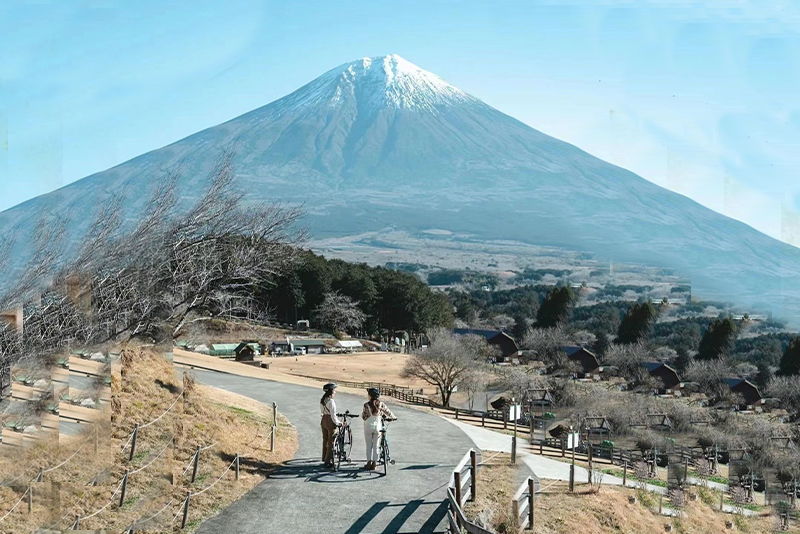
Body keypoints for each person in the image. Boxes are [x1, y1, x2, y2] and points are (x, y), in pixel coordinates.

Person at [361, 388, 396, 471]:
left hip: (368, 426)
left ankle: (368, 462)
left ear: (370, 396)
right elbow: (388, 412)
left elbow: (363, 416)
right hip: (378, 426)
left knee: (368, 446)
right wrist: (393, 417)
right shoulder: (381, 404)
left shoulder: (366, 405)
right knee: (376, 446)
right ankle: (374, 463)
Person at [320, 382, 341, 468]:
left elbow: (322, 412)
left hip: (323, 419)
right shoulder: (331, 402)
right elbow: (333, 415)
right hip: (330, 421)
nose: (335, 392)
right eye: (334, 390)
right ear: (331, 391)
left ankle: (324, 457)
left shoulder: (322, 400)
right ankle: (328, 461)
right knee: (331, 441)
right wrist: (338, 423)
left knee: (325, 440)